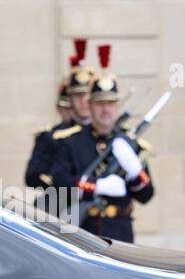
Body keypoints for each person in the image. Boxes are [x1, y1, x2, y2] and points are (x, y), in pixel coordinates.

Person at [43, 45, 154, 242]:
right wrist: (97, 186)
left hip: (121, 232)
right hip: (84, 232)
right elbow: (59, 183)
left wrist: (136, 172)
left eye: (110, 104)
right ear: (90, 106)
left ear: (118, 107)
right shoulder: (71, 142)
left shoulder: (130, 144)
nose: (105, 110)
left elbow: (146, 195)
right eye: (100, 103)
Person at [25, 41, 92, 190]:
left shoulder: (103, 135)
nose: (84, 101)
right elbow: (32, 176)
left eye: (87, 95)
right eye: (78, 96)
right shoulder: (54, 137)